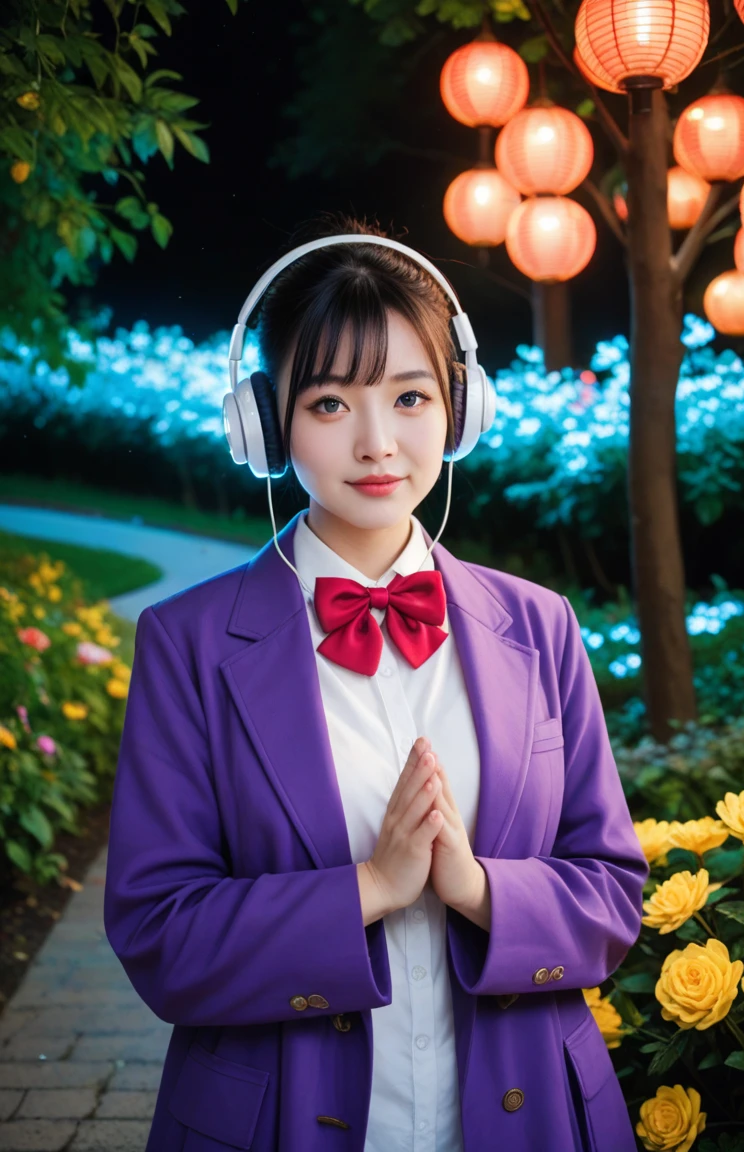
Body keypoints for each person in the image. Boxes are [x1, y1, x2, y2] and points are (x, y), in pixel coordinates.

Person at [103, 211, 650, 1152]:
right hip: (279, 1120)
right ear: (265, 422)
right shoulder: (185, 644)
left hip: (532, 1116)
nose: (376, 444)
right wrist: (369, 885)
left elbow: (609, 897)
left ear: (459, 409)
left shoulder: (540, 625)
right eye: (328, 404)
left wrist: (478, 889)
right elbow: (161, 938)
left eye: (409, 398)